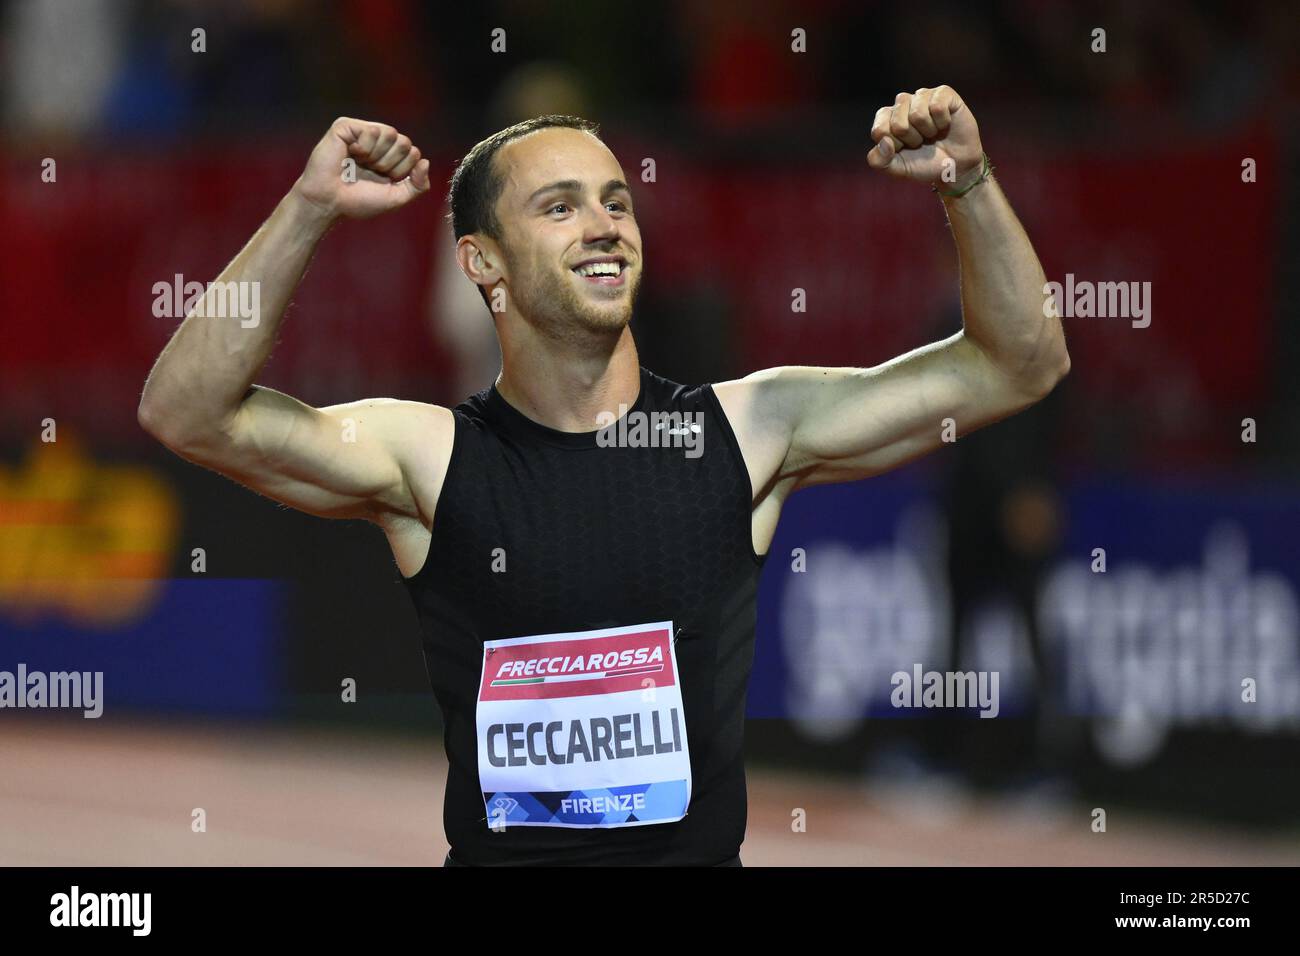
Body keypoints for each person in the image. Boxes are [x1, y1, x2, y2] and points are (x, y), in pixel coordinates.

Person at [138, 86, 1070, 866]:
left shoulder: (746, 433)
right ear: (483, 265)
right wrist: (307, 210)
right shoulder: (428, 458)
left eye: (616, 201)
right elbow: (186, 411)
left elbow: (1017, 363)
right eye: (560, 207)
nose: (604, 227)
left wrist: (971, 184)